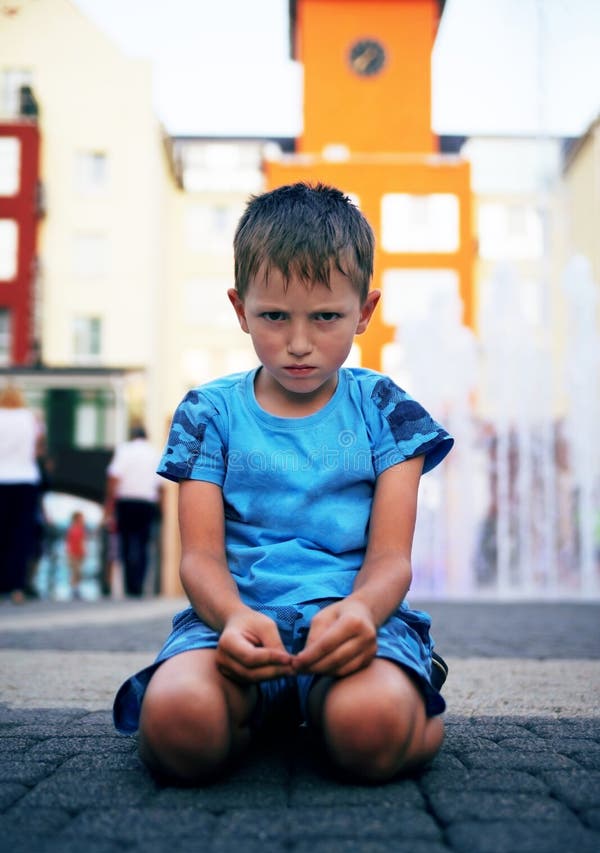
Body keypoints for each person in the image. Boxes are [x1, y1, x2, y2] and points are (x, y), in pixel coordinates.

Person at [113, 182, 454, 785]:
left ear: (365, 312)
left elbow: (391, 561)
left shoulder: (385, 408)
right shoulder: (208, 412)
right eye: (274, 316)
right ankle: (263, 710)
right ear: (240, 308)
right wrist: (231, 617)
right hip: (233, 622)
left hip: (354, 620)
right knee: (175, 726)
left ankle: (403, 691)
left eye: (326, 317)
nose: (300, 343)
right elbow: (199, 558)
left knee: (369, 730)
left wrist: (361, 613)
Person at [104, 425, 163, 598]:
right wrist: (161, 509)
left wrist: (109, 504)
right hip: (146, 502)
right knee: (143, 544)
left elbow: (114, 477)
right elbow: (160, 485)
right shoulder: (154, 453)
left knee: (126, 542)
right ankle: (138, 585)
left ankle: (129, 585)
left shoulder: (124, 450)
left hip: (126, 501)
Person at [0, 384, 45, 604]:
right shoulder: (31, 418)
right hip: (25, 479)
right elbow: (38, 448)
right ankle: (17, 587)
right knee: (20, 536)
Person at [65, 511, 86, 599]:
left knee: (78, 572)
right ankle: (74, 589)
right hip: (73, 554)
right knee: (75, 572)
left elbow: (82, 542)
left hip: (80, 554)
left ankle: (76, 588)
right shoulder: (72, 529)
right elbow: (69, 542)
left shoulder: (81, 529)